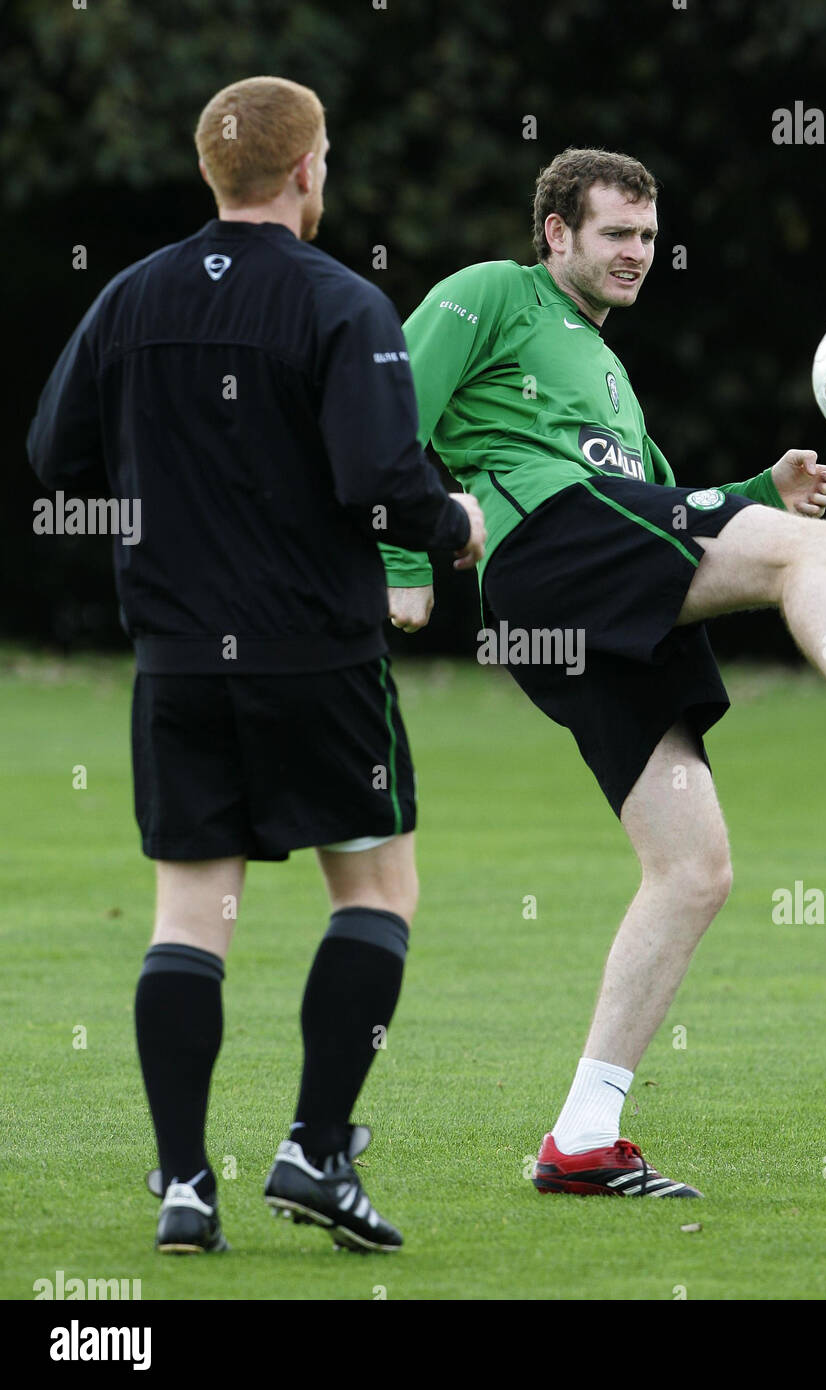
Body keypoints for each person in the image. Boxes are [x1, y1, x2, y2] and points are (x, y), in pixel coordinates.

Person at [382, 147, 826, 1198]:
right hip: (547, 549)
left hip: (592, 586)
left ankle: (582, 1139)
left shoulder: (606, 367)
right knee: (817, 552)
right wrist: (402, 559)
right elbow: (388, 421)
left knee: (694, 871)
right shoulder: (492, 294)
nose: (640, 253)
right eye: (616, 235)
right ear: (557, 233)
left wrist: (752, 487)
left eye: (648, 236)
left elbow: (664, 518)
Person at [26, 76, 485, 1253]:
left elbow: (53, 452)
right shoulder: (341, 302)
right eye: (326, 156)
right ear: (305, 171)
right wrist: (457, 528)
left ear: (209, 170)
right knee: (378, 893)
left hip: (177, 660)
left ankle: (185, 1184)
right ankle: (316, 1150)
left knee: (190, 911)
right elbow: (383, 482)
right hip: (318, 656)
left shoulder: (130, 297)